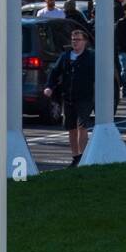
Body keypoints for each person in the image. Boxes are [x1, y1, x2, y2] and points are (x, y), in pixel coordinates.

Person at [44, 26, 95, 164]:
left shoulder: (91, 57)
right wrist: (49, 87)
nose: (75, 42)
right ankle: (76, 156)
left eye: (78, 40)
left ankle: (83, 158)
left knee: (82, 126)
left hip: (85, 97)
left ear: (84, 41)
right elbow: (55, 72)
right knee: (71, 128)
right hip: (68, 97)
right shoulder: (65, 56)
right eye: (73, 40)